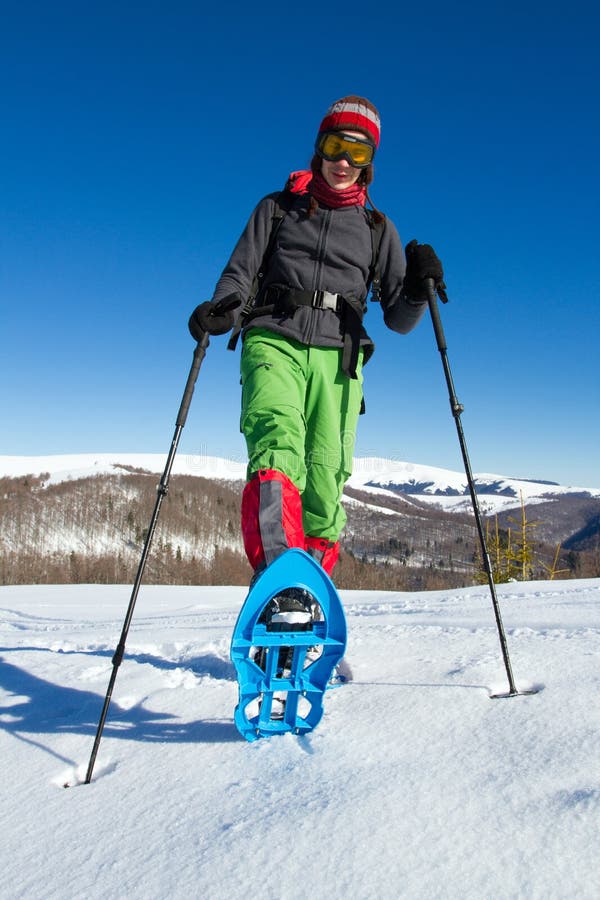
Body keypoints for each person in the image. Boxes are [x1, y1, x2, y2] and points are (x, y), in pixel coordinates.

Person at [189, 96, 446, 619]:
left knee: (326, 479)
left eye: (357, 149)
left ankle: (309, 593)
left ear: (369, 161)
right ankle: (280, 584)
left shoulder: (378, 230)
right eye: (334, 145)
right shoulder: (277, 208)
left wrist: (418, 285)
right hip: (274, 338)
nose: (343, 159)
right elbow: (240, 274)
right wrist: (222, 309)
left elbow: (398, 319)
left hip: (339, 358)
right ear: (318, 148)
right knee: (277, 447)